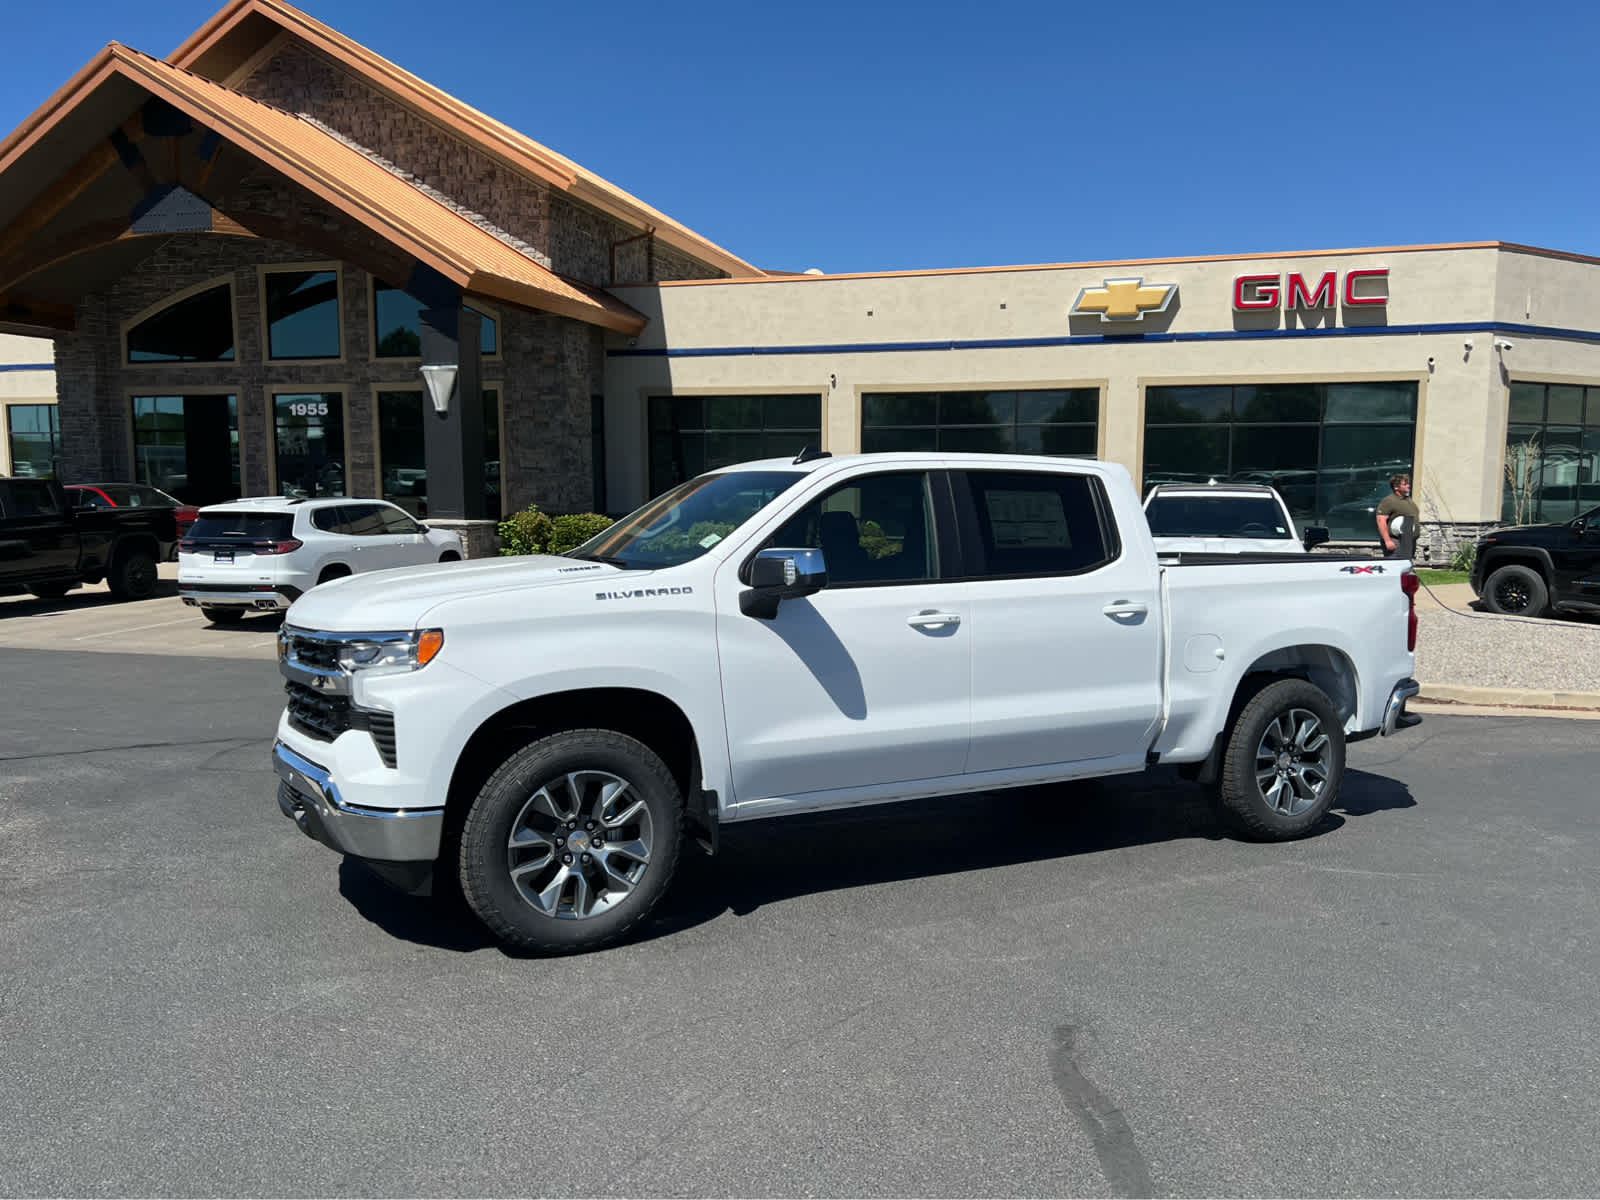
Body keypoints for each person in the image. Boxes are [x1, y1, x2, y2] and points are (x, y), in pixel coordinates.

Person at [1376, 473, 1420, 560]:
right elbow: (1381, 521)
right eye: (1405, 484)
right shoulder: (1389, 501)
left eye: (1408, 483)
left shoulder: (1408, 499)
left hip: (1408, 540)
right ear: (1396, 487)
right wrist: (1387, 541)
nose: (1408, 486)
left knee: (1406, 567)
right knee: (1394, 567)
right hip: (1396, 541)